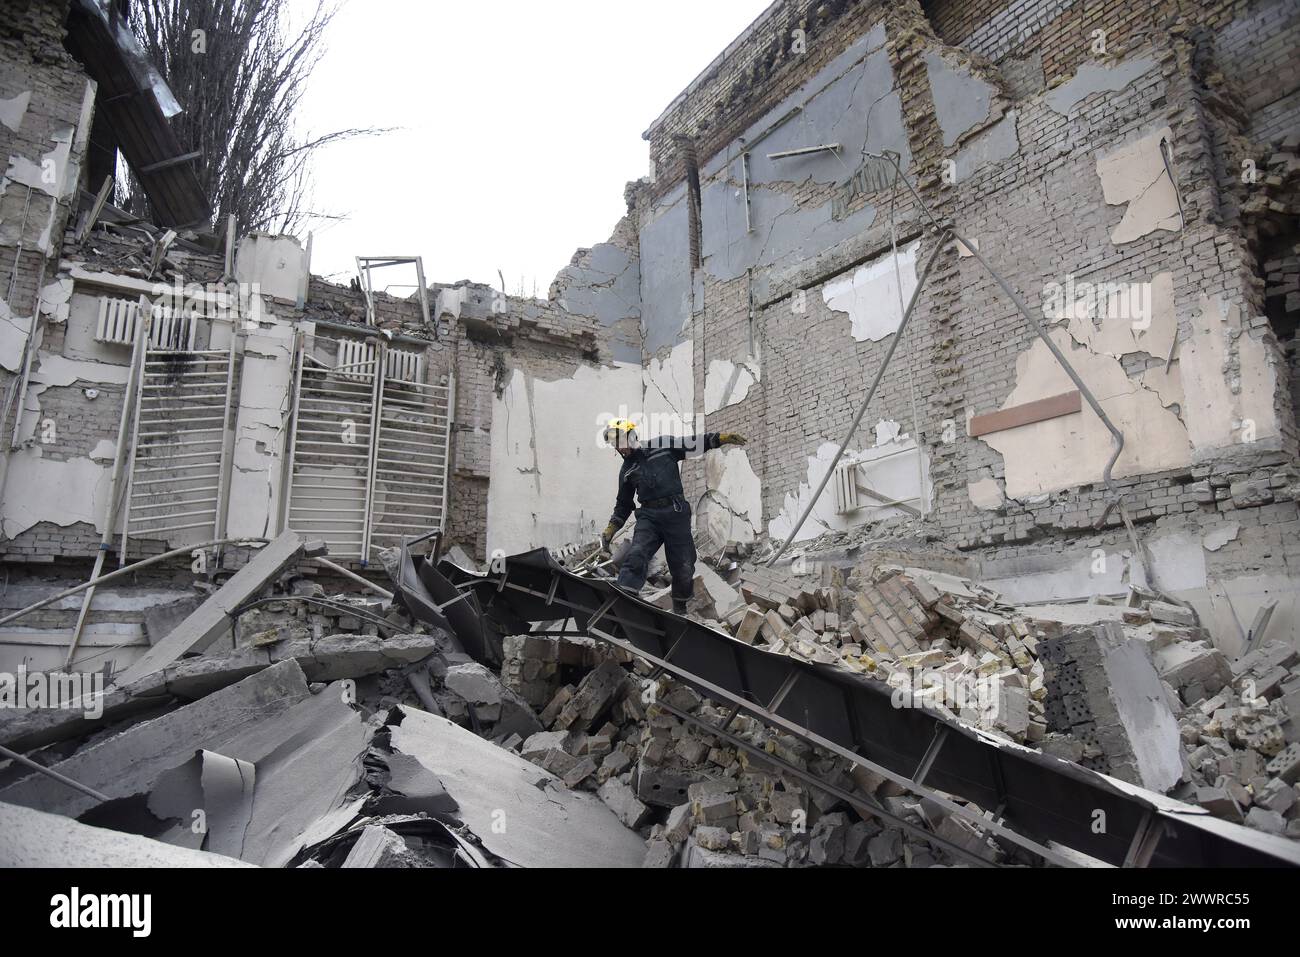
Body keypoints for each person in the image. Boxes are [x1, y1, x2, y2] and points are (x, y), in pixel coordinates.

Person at [600, 418, 747, 615]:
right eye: (615, 445)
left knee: (683, 566)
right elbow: (623, 505)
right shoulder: (627, 470)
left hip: (675, 513)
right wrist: (611, 528)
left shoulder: (663, 445)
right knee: (637, 553)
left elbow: (693, 444)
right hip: (649, 517)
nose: (619, 448)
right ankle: (624, 599)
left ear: (632, 436)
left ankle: (680, 608)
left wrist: (720, 438)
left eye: (620, 441)